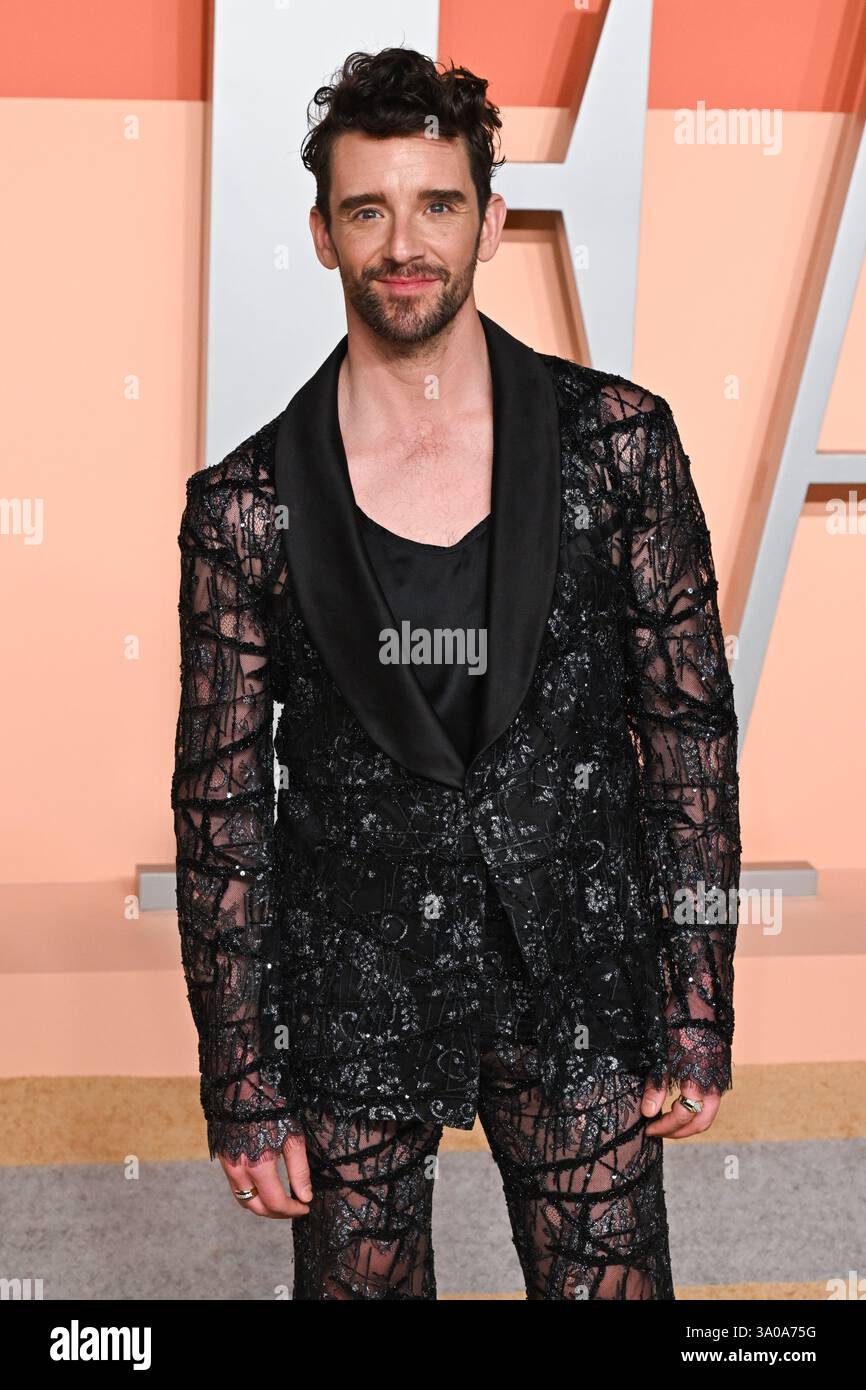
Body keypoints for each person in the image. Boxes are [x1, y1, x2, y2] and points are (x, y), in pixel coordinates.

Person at [171, 46, 741, 1300]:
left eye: (435, 204)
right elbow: (222, 813)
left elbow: (689, 738)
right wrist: (244, 1078)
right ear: (323, 235)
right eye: (367, 209)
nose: (403, 242)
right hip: (353, 993)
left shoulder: (618, 445)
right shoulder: (245, 508)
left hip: (579, 978)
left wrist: (695, 995)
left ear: (488, 217)